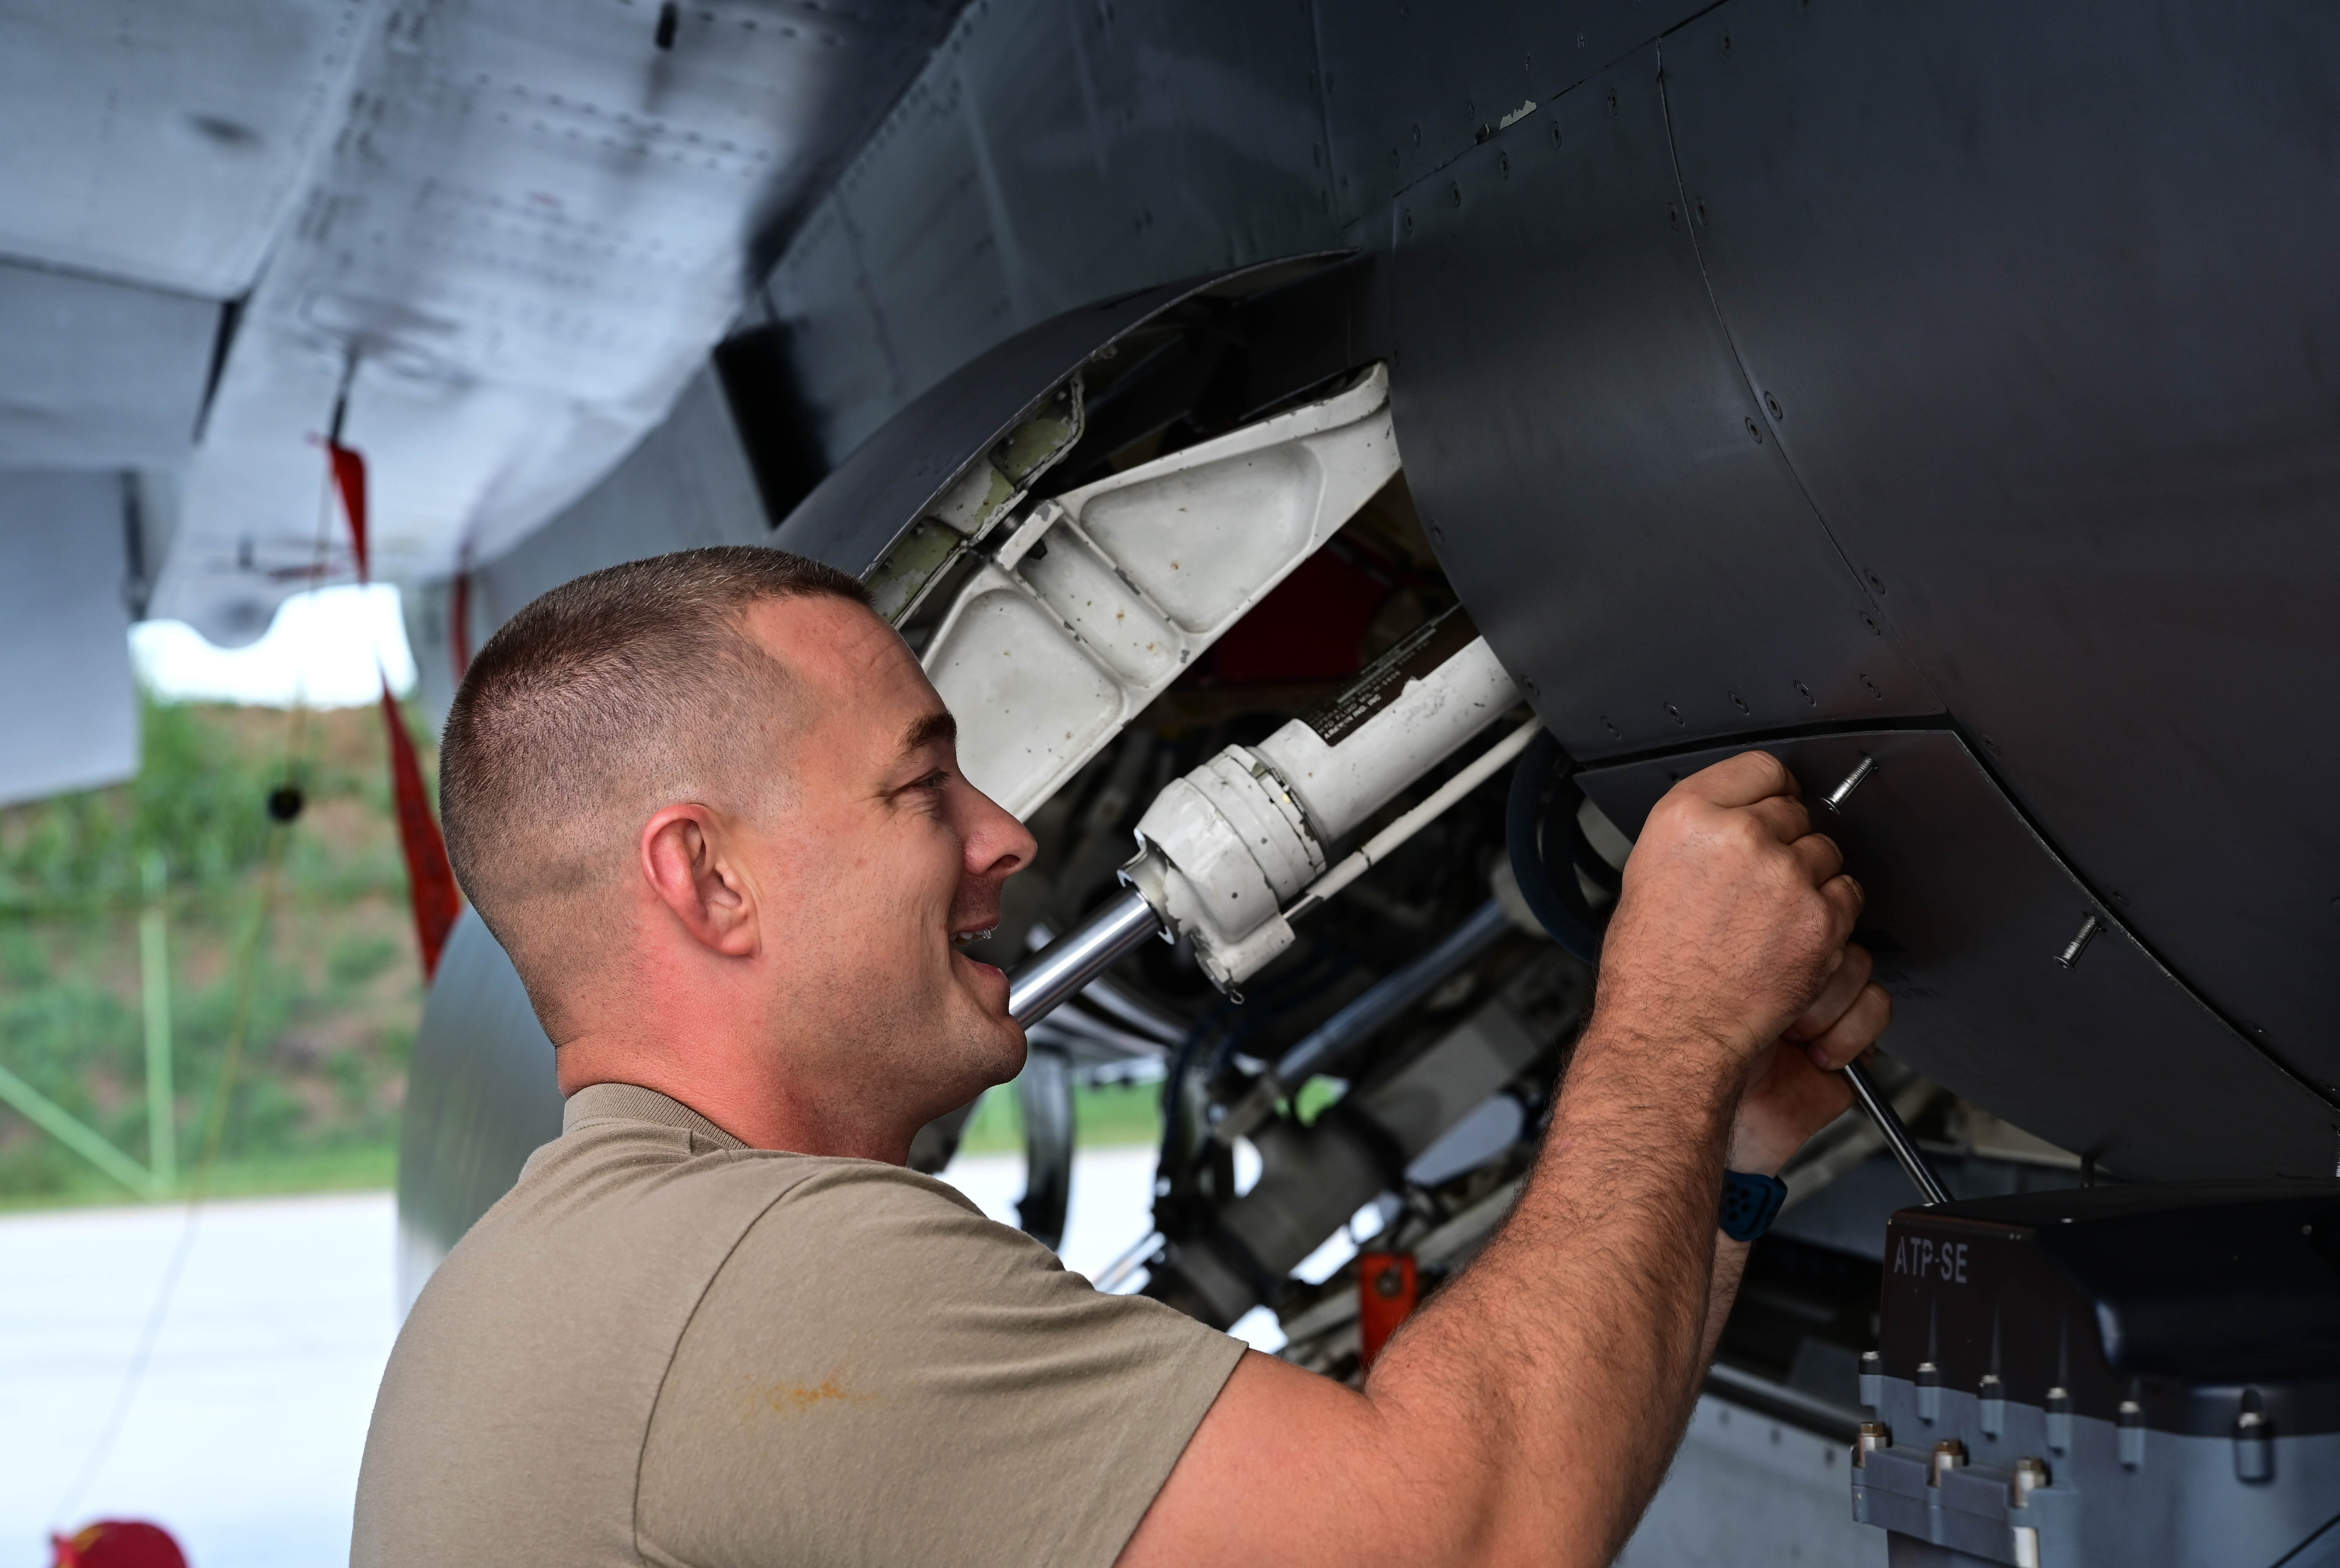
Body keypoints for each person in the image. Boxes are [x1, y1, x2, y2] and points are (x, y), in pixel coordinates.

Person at [352, 546, 1889, 1568]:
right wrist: (1668, 1020)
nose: (1006, 837)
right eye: (920, 785)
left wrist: (1726, 1146)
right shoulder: (767, 1278)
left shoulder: (572, 1277)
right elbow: (1473, 1536)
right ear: (708, 879)